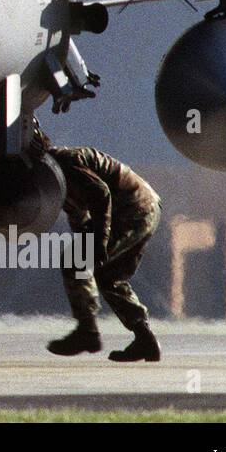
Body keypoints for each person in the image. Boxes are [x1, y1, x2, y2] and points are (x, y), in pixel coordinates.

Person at [33, 127, 163, 362]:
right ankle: (145, 339)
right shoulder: (55, 176)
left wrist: (99, 241)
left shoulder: (65, 164)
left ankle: (87, 331)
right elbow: (78, 215)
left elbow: (100, 194)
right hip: (143, 208)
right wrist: (88, 239)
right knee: (109, 277)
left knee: (75, 259)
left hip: (134, 209)